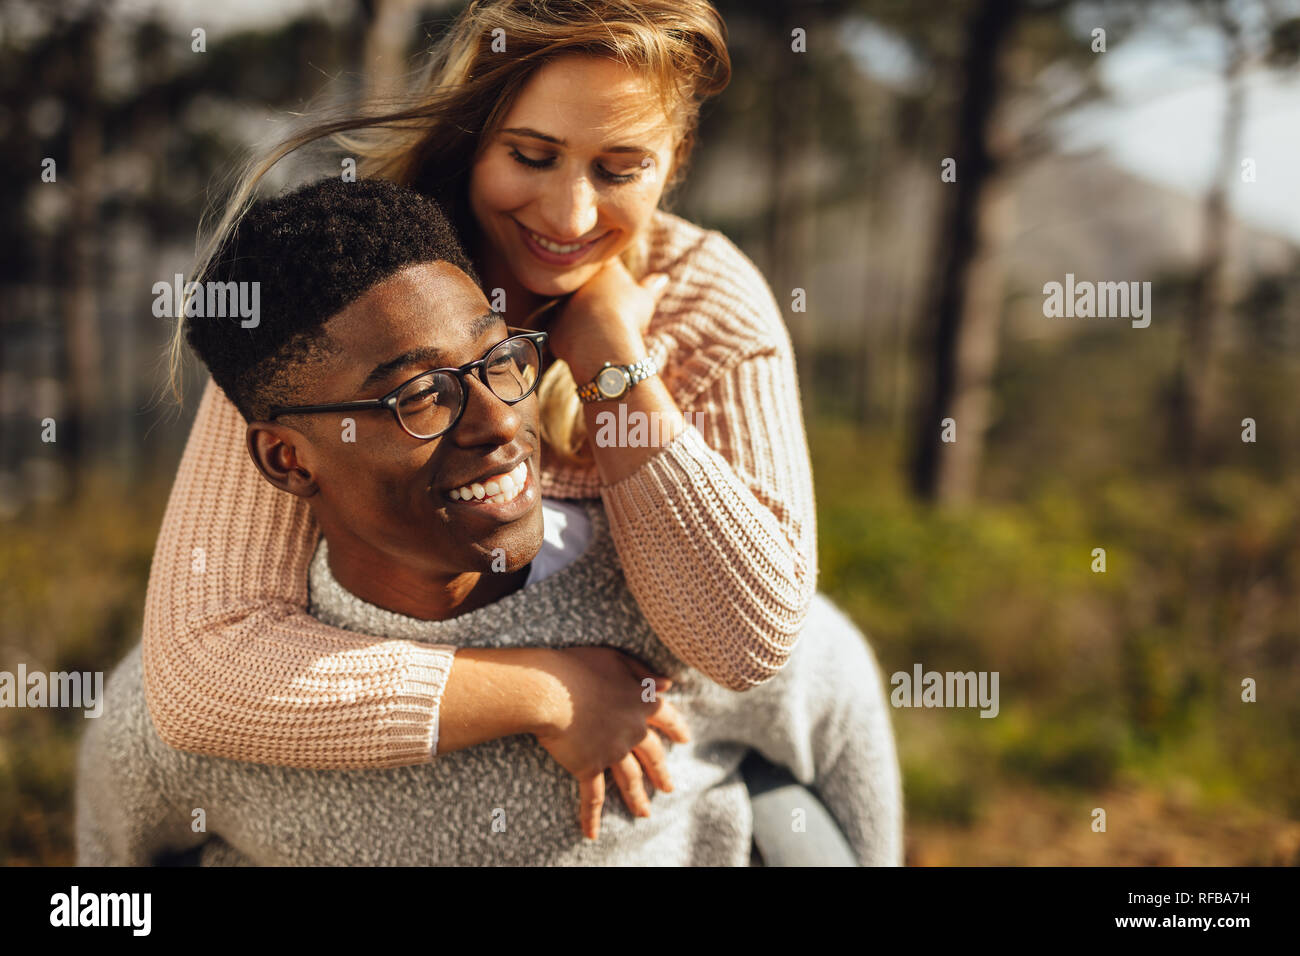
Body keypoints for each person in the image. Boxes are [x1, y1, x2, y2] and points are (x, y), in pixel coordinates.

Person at [80, 179, 902, 866]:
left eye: (500, 359)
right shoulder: (184, 714)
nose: (501, 421)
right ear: (289, 462)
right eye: (420, 396)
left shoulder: (667, 622)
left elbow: (839, 703)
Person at [145, 0, 817, 834]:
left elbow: (745, 639)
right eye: (532, 156)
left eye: (620, 169)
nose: (570, 218)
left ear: (674, 162)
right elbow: (204, 666)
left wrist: (610, 357)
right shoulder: (346, 285)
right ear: (473, 134)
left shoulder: (707, 301)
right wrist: (545, 690)